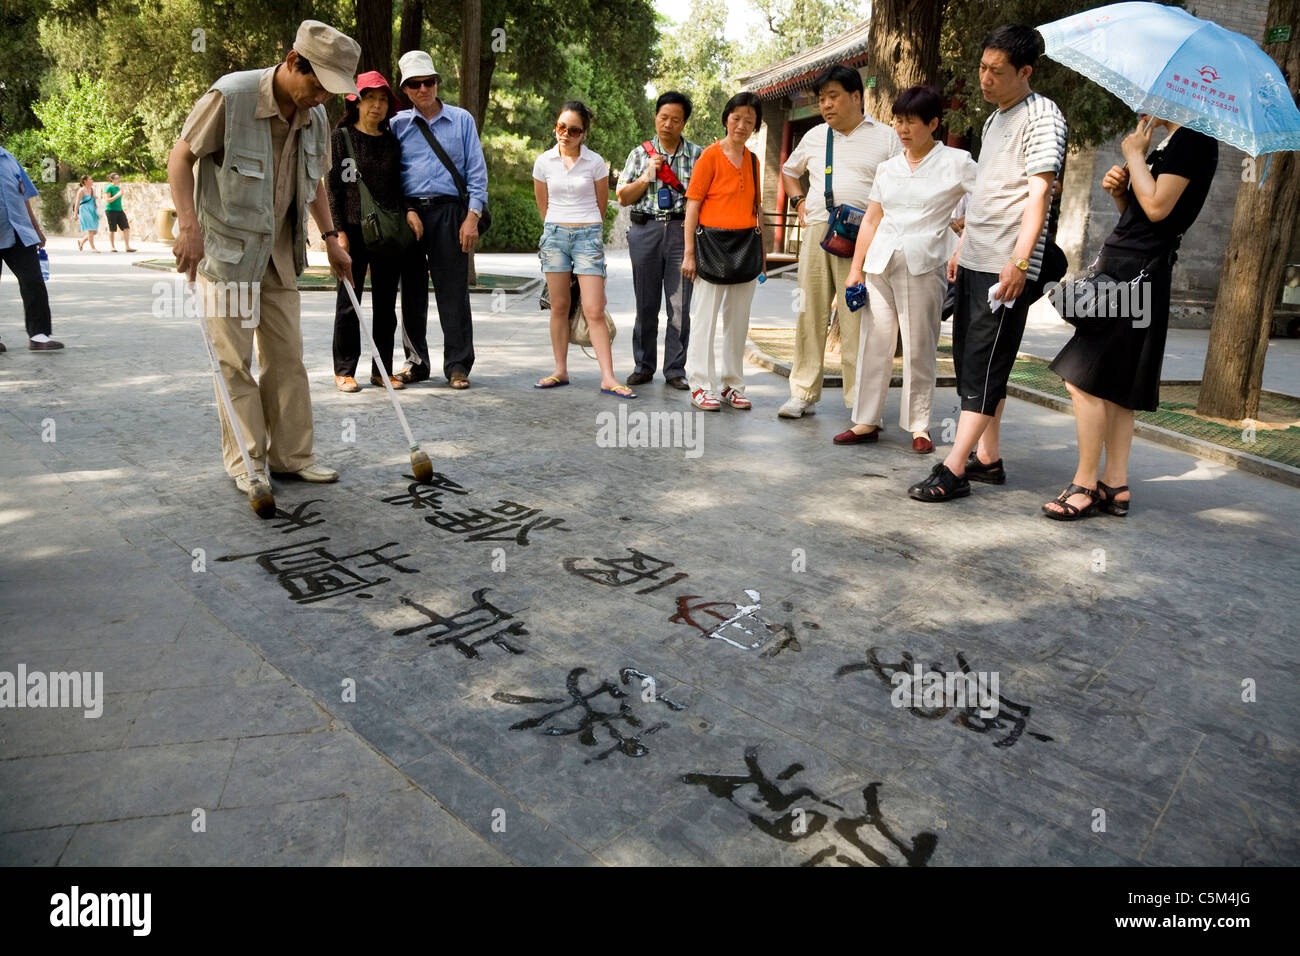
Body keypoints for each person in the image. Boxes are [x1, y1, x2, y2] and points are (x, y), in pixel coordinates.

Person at [167, 19, 357, 503]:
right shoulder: (231, 97)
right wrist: (187, 225)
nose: (322, 99)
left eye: (331, 92)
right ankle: (249, 462)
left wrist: (331, 236)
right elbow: (179, 158)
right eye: (318, 85)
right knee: (235, 363)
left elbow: (314, 181)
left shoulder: (314, 118)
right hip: (228, 254)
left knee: (288, 357)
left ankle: (293, 456)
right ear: (294, 62)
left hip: (280, 255)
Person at [908, 24, 1067, 502]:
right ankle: (988, 459)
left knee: (985, 363)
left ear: (1025, 71)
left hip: (1007, 265)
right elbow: (988, 192)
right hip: (976, 256)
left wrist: (1020, 261)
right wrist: (962, 248)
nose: (984, 78)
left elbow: (1039, 194)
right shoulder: (997, 119)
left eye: (996, 71)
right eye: (981, 67)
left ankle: (954, 468)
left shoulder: (1044, 116)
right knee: (972, 362)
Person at [1042, 116, 1218, 519]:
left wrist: (1135, 156)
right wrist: (1123, 192)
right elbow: (1144, 212)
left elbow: (1158, 209)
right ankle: (1115, 484)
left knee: (1081, 380)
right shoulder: (1175, 142)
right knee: (1119, 388)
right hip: (1135, 270)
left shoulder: (1192, 140)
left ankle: (1084, 483)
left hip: (1135, 276)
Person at [843, 85, 978, 454]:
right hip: (880, 263)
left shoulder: (957, 161)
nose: (902, 128)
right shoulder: (888, 167)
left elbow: (985, 204)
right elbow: (871, 219)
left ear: (933, 123)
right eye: (898, 120)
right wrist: (856, 269)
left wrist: (957, 233)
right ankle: (866, 419)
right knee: (875, 343)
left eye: (911, 122)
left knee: (920, 345)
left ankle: (919, 425)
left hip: (924, 263)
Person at [777, 64, 900, 419]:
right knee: (809, 313)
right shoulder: (816, 135)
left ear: (857, 97)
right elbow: (788, 171)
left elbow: (899, 184)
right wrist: (799, 201)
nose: (826, 105)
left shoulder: (886, 137)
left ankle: (857, 401)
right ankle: (802, 392)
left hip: (862, 237)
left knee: (855, 318)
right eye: (821, 99)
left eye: (833, 97)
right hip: (818, 231)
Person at [391, 50, 487, 389]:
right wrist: (406, 211)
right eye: (414, 84)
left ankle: (458, 364)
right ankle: (416, 363)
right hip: (412, 215)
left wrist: (471, 217)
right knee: (412, 292)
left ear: (436, 82)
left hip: (451, 213)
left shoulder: (462, 120)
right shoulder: (396, 125)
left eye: (428, 82)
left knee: (453, 291)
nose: (422, 89)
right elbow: (389, 178)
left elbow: (477, 175)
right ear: (405, 89)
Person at [532, 101, 632, 398]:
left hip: (587, 235)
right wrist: (557, 228)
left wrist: (586, 230)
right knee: (559, 306)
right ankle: (560, 370)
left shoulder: (595, 162)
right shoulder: (544, 162)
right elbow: (543, 204)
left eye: (573, 130)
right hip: (555, 236)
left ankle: (609, 377)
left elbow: (602, 206)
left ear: (584, 133)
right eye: (561, 127)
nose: (565, 134)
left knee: (593, 309)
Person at [327, 70, 412, 393]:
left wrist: (408, 215)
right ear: (357, 101)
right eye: (370, 98)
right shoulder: (341, 138)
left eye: (382, 100)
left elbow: (398, 188)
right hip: (351, 230)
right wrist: (336, 232)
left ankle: (382, 369)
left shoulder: (391, 142)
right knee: (349, 302)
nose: (376, 105)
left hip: (385, 233)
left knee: (386, 304)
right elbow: (332, 187)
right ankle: (344, 370)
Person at [681, 92, 763, 412]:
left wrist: (763, 257)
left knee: (738, 321)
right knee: (704, 318)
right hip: (711, 248)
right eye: (736, 118)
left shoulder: (755, 161)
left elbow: (757, 211)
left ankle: (732, 385)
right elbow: (693, 206)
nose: (742, 125)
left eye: (750, 121)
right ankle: (701, 385)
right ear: (726, 118)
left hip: (745, 248)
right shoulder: (710, 157)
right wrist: (689, 254)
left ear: (756, 126)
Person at [616, 90, 703, 390]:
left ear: (683, 123)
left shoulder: (697, 155)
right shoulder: (638, 153)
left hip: (681, 231)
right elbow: (622, 197)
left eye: (675, 120)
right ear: (655, 117)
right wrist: (645, 178)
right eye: (663, 117)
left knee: (679, 306)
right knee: (646, 303)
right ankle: (643, 365)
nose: (668, 124)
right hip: (645, 231)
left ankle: (675, 370)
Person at [0, 143, 61, 351]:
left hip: (18, 230)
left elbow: (24, 197)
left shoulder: (9, 160)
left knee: (33, 281)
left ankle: (39, 335)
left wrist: (36, 229)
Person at [104, 173, 135, 252]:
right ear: (112, 179)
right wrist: (118, 195)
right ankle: (112, 247)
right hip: (110, 210)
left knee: (126, 228)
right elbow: (108, 200)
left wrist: (121, 192)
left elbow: (120, 196)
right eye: (117, 178)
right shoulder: (109, 188)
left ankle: (127, 247)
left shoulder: (119, 187)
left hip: (119, 210)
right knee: (112, 229)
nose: (118, 179)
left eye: (119, 177)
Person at [74, 176, 100, 252]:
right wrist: (75, 214)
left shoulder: (92, 190)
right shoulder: (81, 190)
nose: (92, 180)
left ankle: (82, 241)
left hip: (92, 210)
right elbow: (77, 203)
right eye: (90, 179)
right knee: (90, 229)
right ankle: (93, 248)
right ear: (85, 181)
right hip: (84, 210)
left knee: (94, 231)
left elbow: (94, 200)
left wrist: (95, 198)